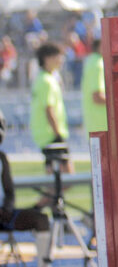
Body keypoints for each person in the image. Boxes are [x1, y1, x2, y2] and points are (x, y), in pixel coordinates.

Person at [0, 109, 54, 267]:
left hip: (4, 214)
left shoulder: (2, 158)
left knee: (41, 220)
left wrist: (7, 207)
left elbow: (9, 192)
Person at [30, 43, 73, 175]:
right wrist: (58, 135)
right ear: (47, 58)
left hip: (48, 135)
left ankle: (52, 196)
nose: (61, 60)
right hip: (51, 136)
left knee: (57, 183)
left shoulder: (45, 78)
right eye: (58, 56)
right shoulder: (46, 81)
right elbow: (49, 109)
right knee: (65, 178)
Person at [81, 38, 108, 135]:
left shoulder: (91, 61)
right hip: (102, 125)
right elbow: (97, 97)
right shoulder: (98, 64)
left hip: (95, 124)